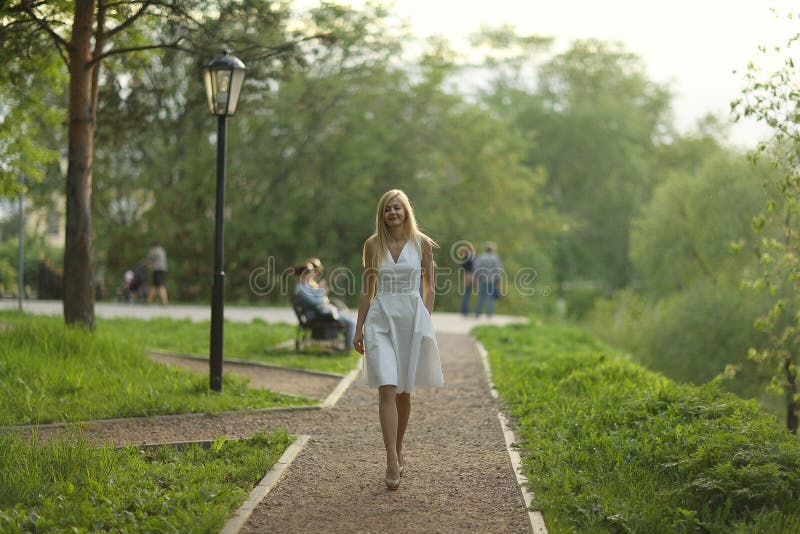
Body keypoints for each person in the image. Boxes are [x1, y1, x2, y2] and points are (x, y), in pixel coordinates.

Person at [353, 189, 444, 491]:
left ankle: (399, 447)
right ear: (381, 214)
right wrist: (358, 328)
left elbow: (430, 286)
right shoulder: (372, 245)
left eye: (398, 208)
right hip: (380, 318)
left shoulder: (422, 244)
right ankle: (391, 459)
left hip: (410, 319)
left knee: (404, 392)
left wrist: (425, 317)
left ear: (406, 211)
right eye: (388, 209)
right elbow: (368, 289)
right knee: (387, 388)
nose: (393, 213)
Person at [294, 262, 357, 350]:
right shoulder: (302, 288)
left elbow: (317, 298)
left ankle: (348, 345)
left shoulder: (305, 286)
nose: (313, 273)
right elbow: (315, 303)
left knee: (350, 318)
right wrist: (322, 291)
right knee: (351, 322)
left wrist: (321, 290)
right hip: (316, 315)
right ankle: (349, 347)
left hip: (318, 313)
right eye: (310, 271)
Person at [473, 242, 504, 318]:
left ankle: (477, 314)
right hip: (493, 280)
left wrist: (476, 278)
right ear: (493, 250)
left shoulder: (481, 257)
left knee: (481, 297)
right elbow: (499, 270)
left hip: (483, 280)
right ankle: (489, 315)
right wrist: (499, 279)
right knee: (491, 298)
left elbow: (476, 268)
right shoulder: (495, 258)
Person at [459, 242, 476, 316]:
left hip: (471, 274)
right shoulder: (467, 256)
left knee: (468, 293)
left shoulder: (471, 255)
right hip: (468, 274)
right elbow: (464, 266)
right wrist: (468, 274)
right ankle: (464, 311)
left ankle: (466, 311)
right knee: (466, 293)